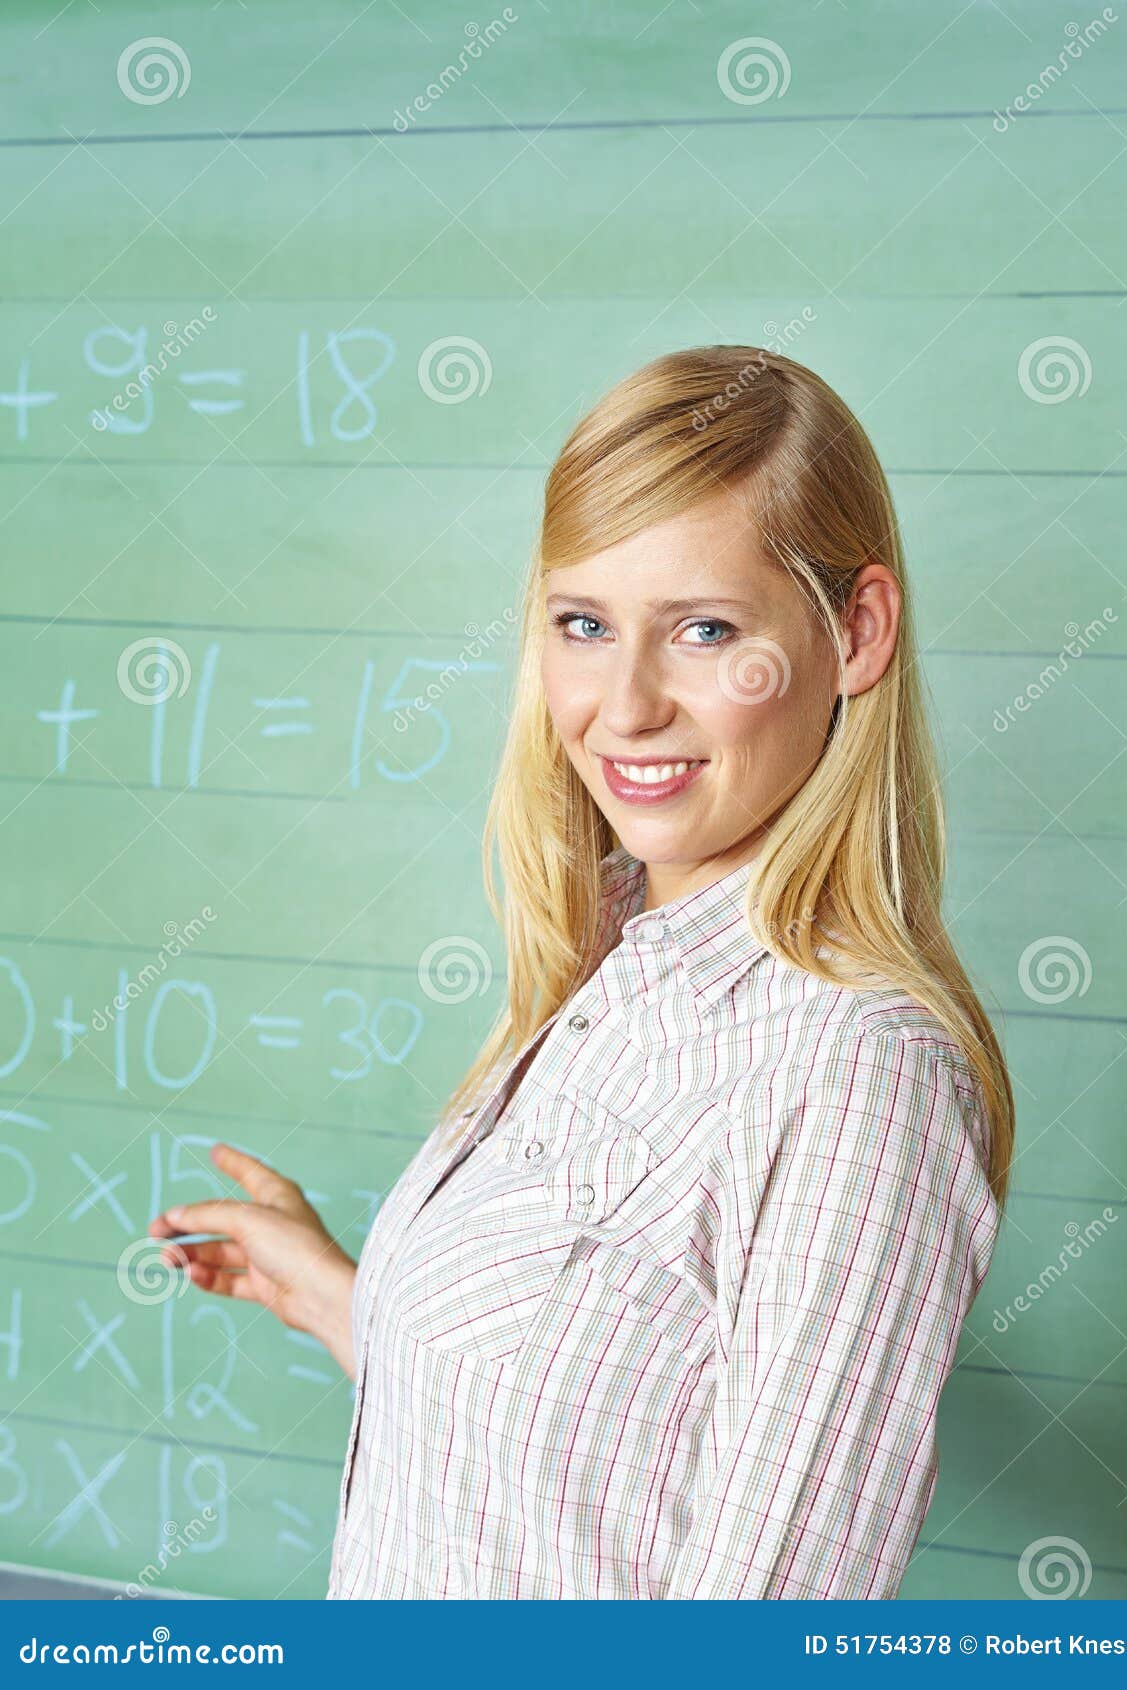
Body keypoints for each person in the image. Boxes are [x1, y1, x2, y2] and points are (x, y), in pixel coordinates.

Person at [150, 346, 1013, 1600]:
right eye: (584, 624)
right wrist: (357, 1299)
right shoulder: (602, 959)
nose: (624, 706)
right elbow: (590, 1469)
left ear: (855, 633)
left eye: (705, 631)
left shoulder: (854, 1075)